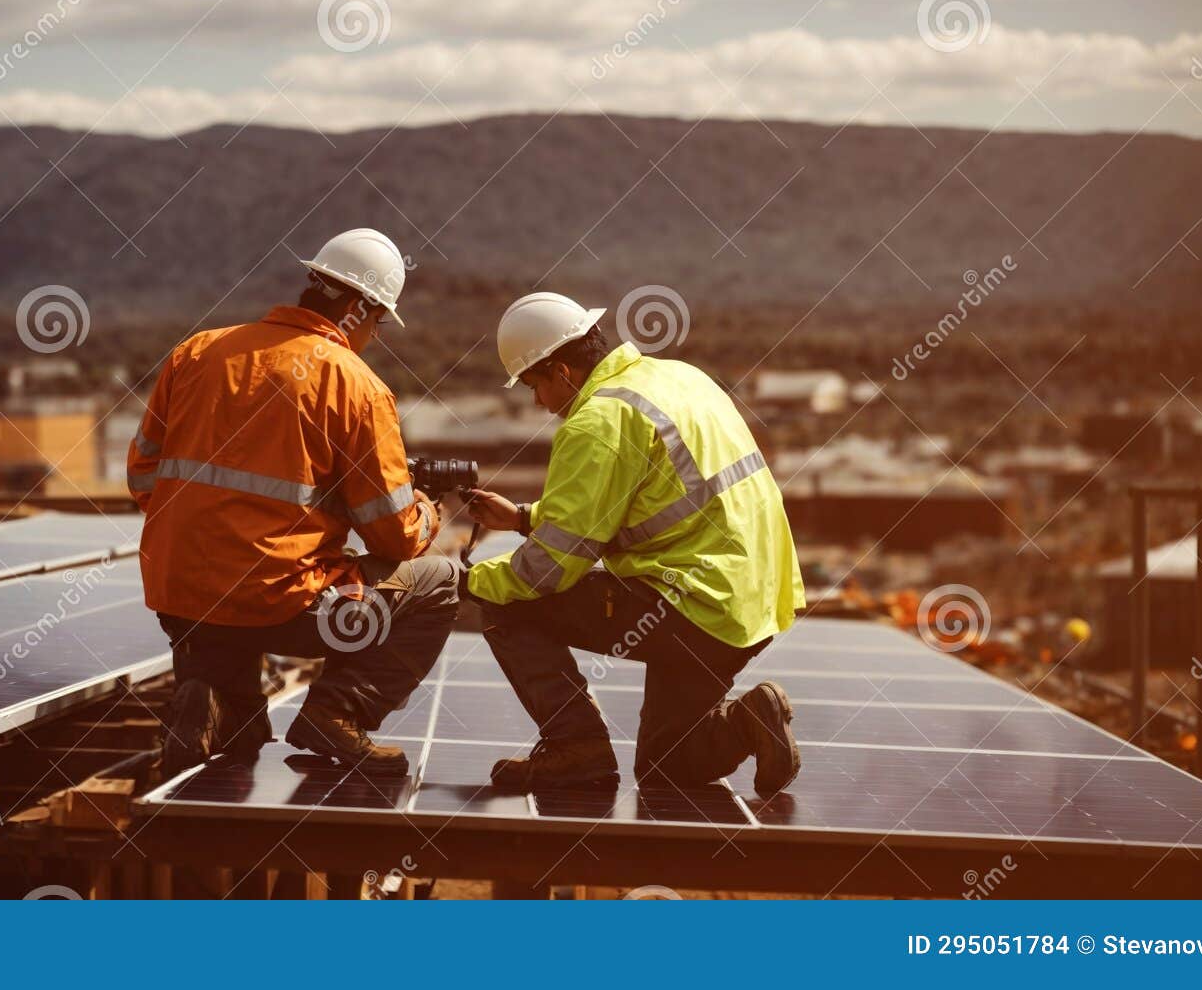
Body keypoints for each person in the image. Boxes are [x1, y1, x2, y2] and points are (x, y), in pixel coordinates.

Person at [128, 228, 459, 779]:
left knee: (239, 732)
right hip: (277, 605)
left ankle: (207, 701)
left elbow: (144, 476)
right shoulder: (355, 385)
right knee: (441, 580)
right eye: (377, 322)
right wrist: (426, 511)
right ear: (360, 308)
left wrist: (216, 533)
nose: (374, 335)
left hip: (180, 597)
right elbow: (393, 537)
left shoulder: (197, 353)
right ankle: (337, 713)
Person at [461, 292, 805, 796]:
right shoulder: (680, 377)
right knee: (668, 769)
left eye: (535, 385)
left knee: (505, 601)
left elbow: (549, 570)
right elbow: (650, 503)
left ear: (562, 371)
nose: (537, 402)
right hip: (749, 602)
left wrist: (468, 581)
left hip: (693, 599)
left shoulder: (598, 420)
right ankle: (751, 718)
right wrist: (521, 519)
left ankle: (575, 750)